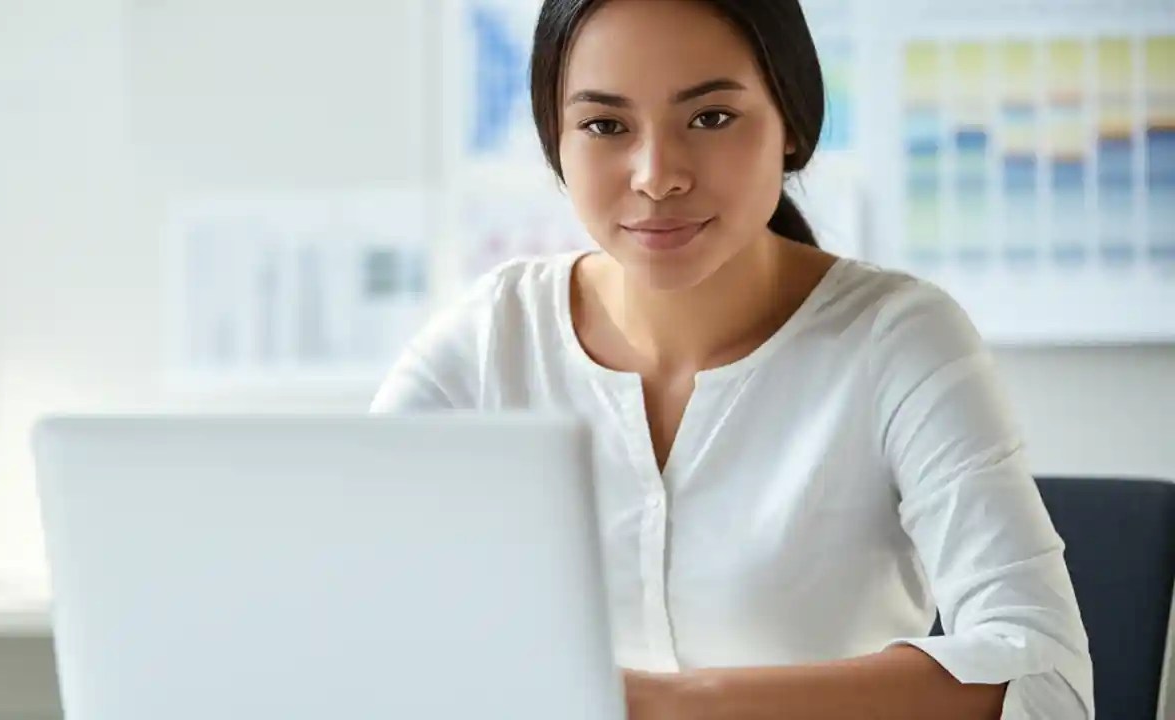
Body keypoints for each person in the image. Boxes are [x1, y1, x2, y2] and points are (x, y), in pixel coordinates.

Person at [370, 0, 1093, 717]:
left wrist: (666, 704)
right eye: (605, 126)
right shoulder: (487, 341)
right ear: (555, 139)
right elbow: (343, 605)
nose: (656, 176)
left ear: (791, 124)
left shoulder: (899, 338)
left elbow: (1047, 680)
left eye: (711, 117)